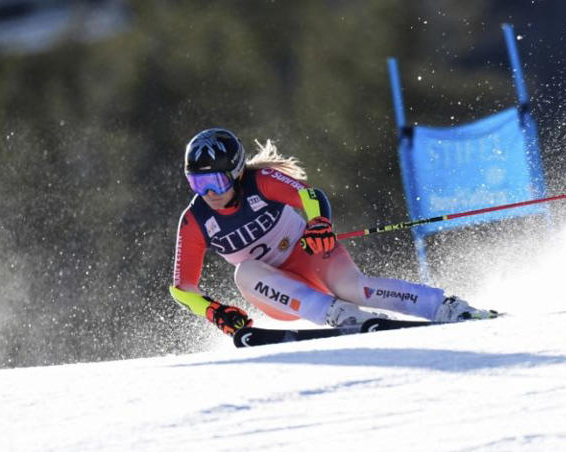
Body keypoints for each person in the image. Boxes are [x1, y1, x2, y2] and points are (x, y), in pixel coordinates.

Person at [170, 127, 490, 336]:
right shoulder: (195, 219)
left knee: (354, 288)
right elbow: (182, 288)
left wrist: (318, 223)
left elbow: (309, 195)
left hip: (311, 254)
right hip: (278, 293)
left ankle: (445, 306)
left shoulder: (262, 181)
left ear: (237, 173)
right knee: (245, 272)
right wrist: (214, 312)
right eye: (197, 183)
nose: (208, 192)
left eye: (216, 181)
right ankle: (340, 315)